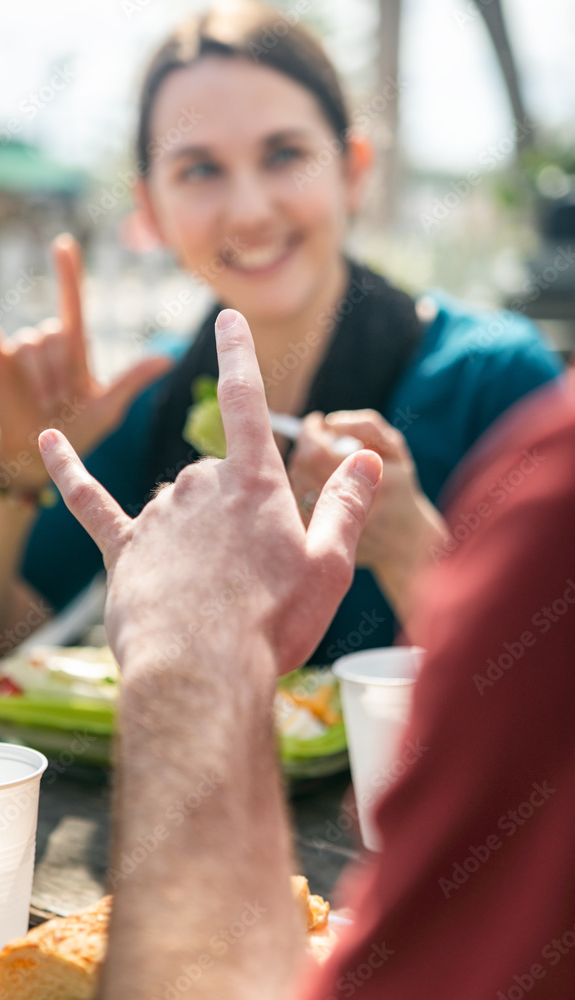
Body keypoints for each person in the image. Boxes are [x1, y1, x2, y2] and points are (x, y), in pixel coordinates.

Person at [0, 2, 562, 676]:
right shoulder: (149, 399)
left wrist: (408, 548)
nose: (249, 210)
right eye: (198, 170)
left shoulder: (498, 382)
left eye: (284, 155)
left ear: (353, 170)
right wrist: (10, 471)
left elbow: (549, 694)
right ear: (150, 211)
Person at [40, 308, 575, 1000]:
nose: (250, 209)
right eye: (201, 186)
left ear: (354, 190)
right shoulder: (156, 383)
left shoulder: (515, 409)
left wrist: (189, 655)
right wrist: (6, 472)